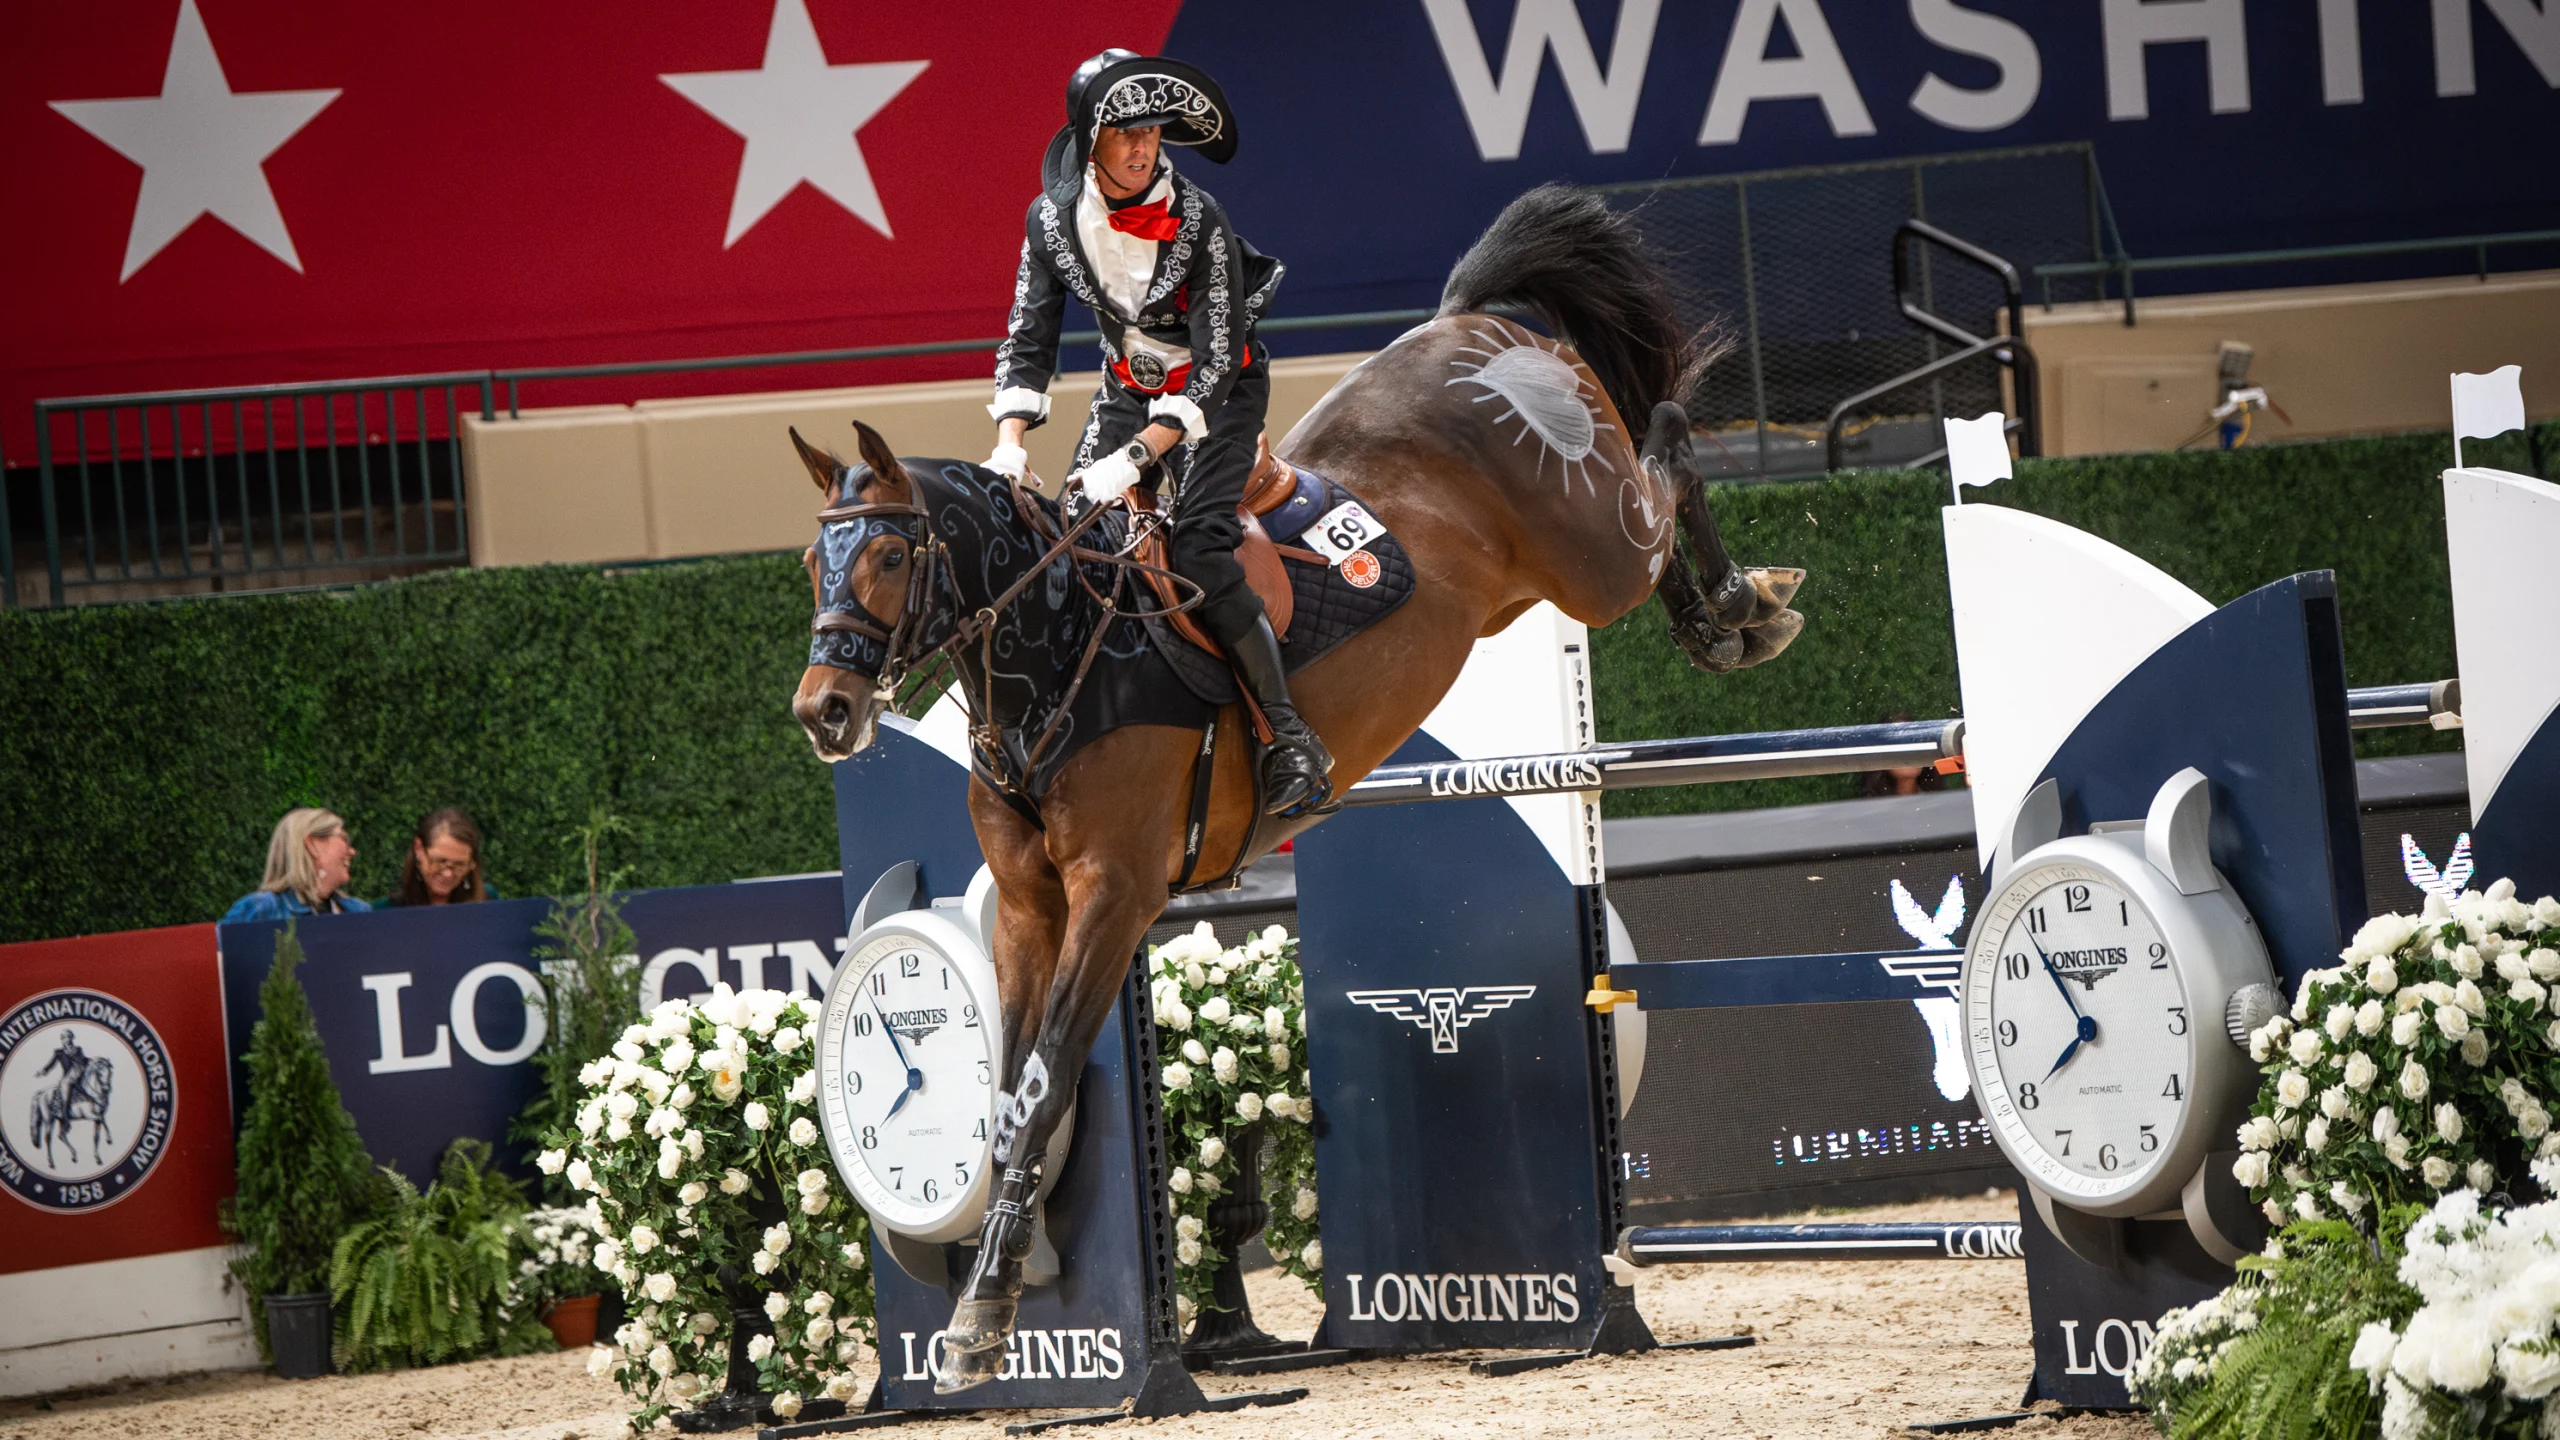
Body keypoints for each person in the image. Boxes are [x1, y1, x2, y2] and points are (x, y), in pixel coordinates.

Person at [983, 49, 1332, 816]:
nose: (1144, 147)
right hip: (1127, 385)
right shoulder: (1049, 221)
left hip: (1220, 389)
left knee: (1202, 547)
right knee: (1070, 536)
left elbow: (1209, 367)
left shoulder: (1201, 218)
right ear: (1089, 139)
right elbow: (1028, 338)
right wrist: (1010, 443)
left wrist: (1137, 458)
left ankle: (1292, 739)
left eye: (1152, 132)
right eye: (1125, 132)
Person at [222, 808, 372, 922]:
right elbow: (220, 961)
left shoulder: (359, 912)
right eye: (344, 838)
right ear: (313, 844)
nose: (352, 851)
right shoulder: (259, 910)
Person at [392, 807, 495, 906]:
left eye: (459, 865)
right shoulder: (385, 910)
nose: (448, 874)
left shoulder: (488, 901)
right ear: (419, 849)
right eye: (440, 861)